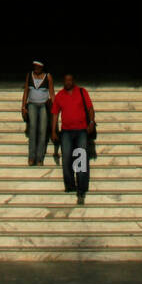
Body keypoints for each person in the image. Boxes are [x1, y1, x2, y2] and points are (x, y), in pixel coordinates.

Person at [51, 73, 95, 204]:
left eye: (70, 80)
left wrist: (91, 122)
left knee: (81, 157)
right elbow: (54, 114)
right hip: (66, 132)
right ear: (64, 82)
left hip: (81, 130)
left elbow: (90, 108)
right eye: (66, 80)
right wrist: (54, 131)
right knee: (66, 158)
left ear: (73, 81)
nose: (68, 82)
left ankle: (81, 189)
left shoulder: (82, 92)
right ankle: (70, 186)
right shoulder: (60, 95)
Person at [21, 59, 54, 166]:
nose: (36, 69)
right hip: (32, 105)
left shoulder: (48, 76)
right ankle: (31, 157)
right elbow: (26, 90)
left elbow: (52, 93)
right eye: (35, 67)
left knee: (42, 130)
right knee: (33, 129)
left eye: (38, 67)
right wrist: (23, 106)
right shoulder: (29, 75)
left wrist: (54, 108)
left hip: (44, 105)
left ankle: (40, 158)